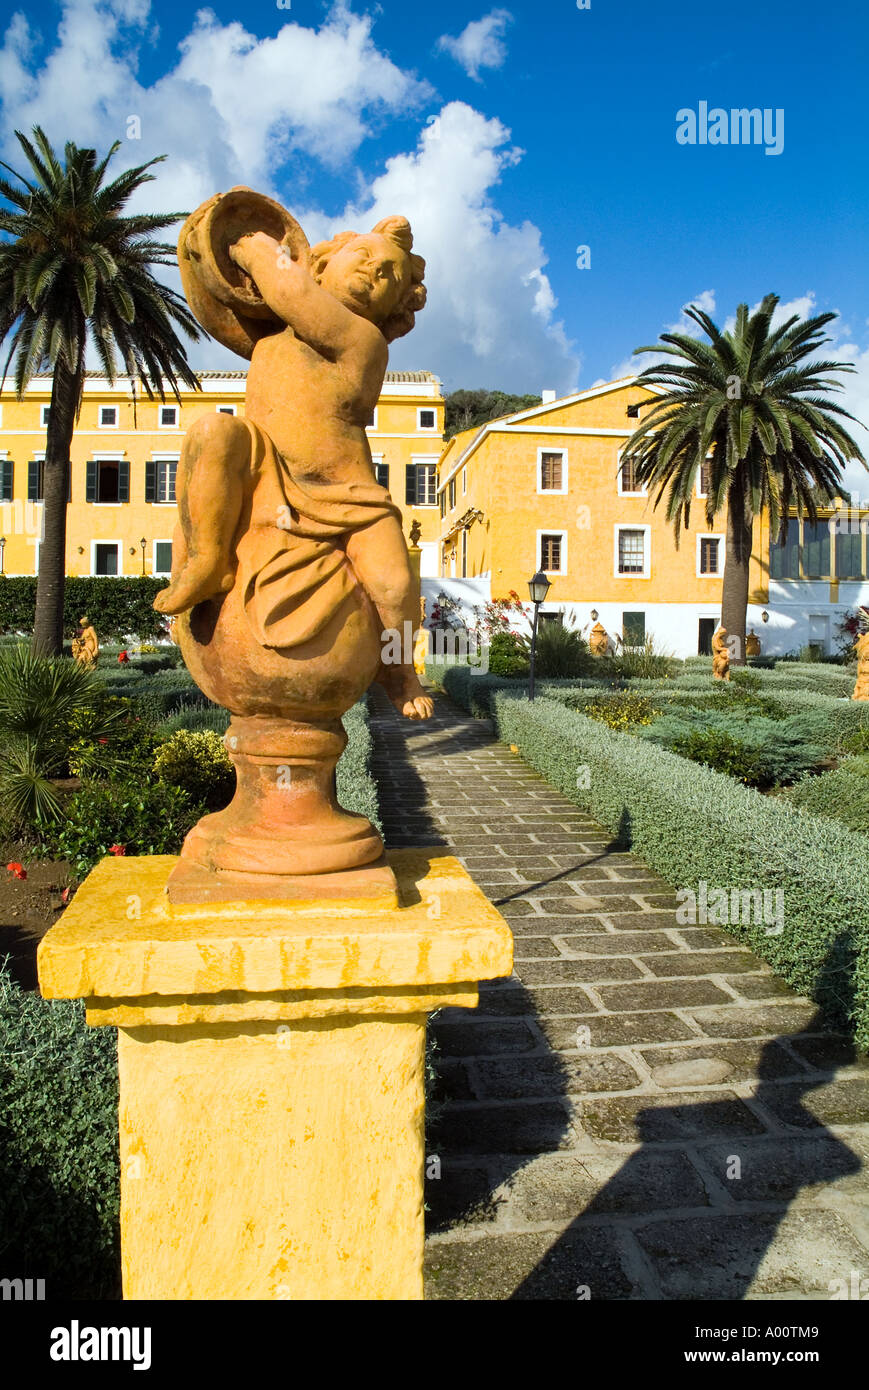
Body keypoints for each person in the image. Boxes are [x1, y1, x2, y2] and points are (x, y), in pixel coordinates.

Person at [155, 214, 432, 720]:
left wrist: (251, 246)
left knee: (395, 587)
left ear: (395, 308)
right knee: (214, 433)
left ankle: (398, 669)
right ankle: (210, 560)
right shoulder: (274, 338)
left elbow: (288, 292)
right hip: (265, 472)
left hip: (347, 496)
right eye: (365, 259)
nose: (376, 274)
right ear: (321, 265)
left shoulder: (360, 340)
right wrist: (201, 250)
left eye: (391, 277)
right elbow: (219, 310)